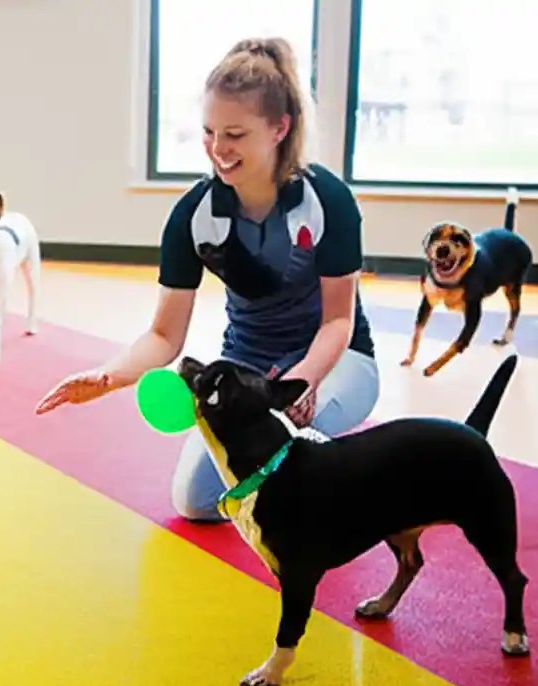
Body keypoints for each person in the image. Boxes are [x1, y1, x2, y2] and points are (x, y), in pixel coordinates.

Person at [34, 37, 380, 522]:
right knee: (196, 501)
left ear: (280, 128)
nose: (219, 149)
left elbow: (338, 322)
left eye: (235, 134)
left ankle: (357, 463)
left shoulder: (328, 199)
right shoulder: (194, 215)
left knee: (290, 452)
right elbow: (164, 335)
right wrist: (109, 376)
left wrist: (301, 383)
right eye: (209, 131)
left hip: (336, 360)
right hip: (247, 370)